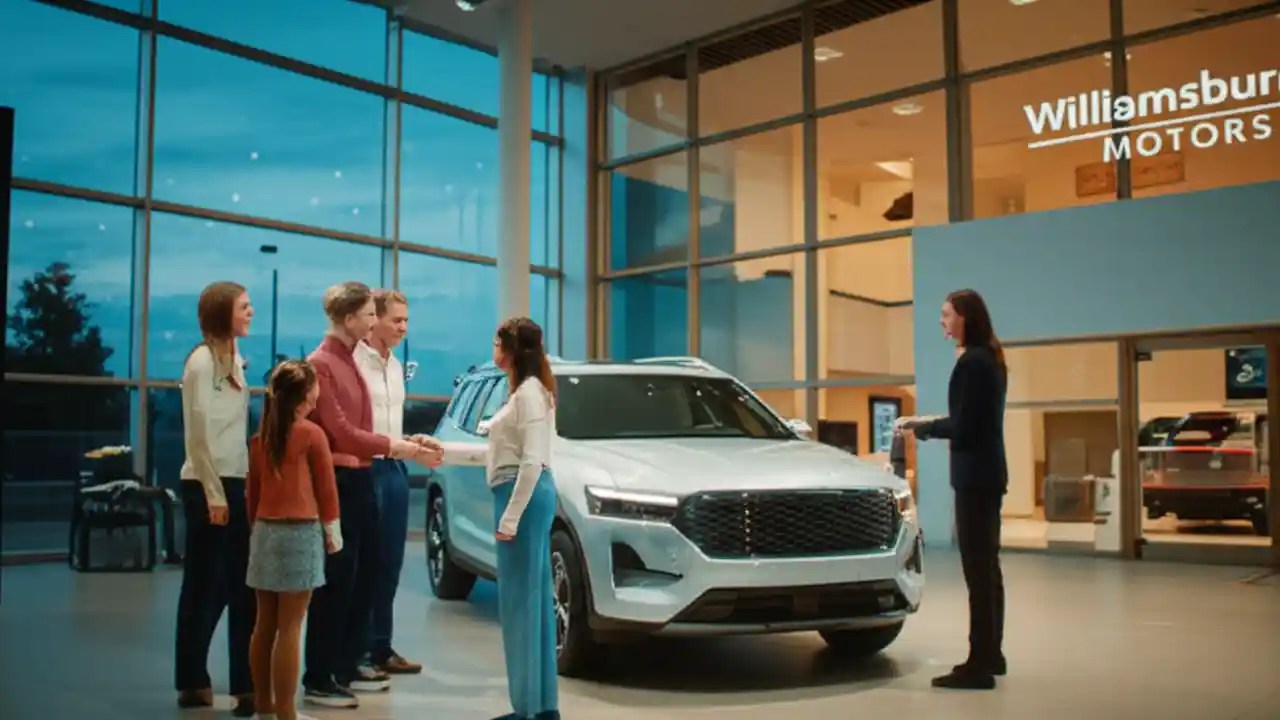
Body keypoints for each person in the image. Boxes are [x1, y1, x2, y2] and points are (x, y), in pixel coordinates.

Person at [302, 281, 441, 709]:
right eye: (370, 315)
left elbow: (369, 421)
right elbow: (340, 430)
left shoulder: (359, 362)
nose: (376, 322)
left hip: (366, 471)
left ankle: (347, 664)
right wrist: (393, 446)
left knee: (366, 573)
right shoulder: (326, 362)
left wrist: (399, 443)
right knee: (339, 578)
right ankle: (325, 673)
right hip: (349, 474)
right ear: (353, 319)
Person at [899, 288, 1008, 691]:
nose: (942, 321)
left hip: (975, 478)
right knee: (988, 571)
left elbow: (965, 426)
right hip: (987, 476)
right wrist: (930, 421)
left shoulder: (973, 362)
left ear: (965, 316)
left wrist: (923, 429)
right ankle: (992, 654)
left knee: (977, 573)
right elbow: (970, 417)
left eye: (946, 314)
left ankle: (978, 664)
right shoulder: (990, 359)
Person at [175, 281, 257, 717]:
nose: (251, 312)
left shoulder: (234, 362)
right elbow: (197, 437)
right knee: (204, 587)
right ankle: (192, 680)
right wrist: (214, 493)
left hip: (234, 481)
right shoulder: (202, 363)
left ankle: (245, 684)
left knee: (242, 589)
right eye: (244, 306)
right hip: (208, 485)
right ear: (223, 311)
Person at [246, 361, 342, 720]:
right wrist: (333, 535)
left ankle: (263, 705)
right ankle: (287, 712)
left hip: (265, 533)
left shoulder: (260, 439)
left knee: (264, 623)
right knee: (291, 625)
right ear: (304, 394)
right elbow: (327, 490)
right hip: (300, 532)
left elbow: (251, 496)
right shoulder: (312, 435)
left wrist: (254, 533)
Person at [354, 290, 434, 675]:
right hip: (364, 467)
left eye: (406, 321)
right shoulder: (355, 361)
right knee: (362, 566)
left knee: (390, 565)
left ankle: (380, 648)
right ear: (375, 320)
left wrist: (410, 442)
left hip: (395, 469)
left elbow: (390, 421)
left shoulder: (395, 364)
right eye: (396, 320)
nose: (403, 328)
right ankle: (355, 650)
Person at [487, 317, 560, 720]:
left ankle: (529, 710)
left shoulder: (529, 394)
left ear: (510, 348)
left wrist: (511, 518)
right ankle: (540, 706)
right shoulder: (525, 392)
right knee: (531, 604)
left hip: (523, 498)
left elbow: (532, 461)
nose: (493, 351)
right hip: (522, 494)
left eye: (497, 343)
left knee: (521, 605)